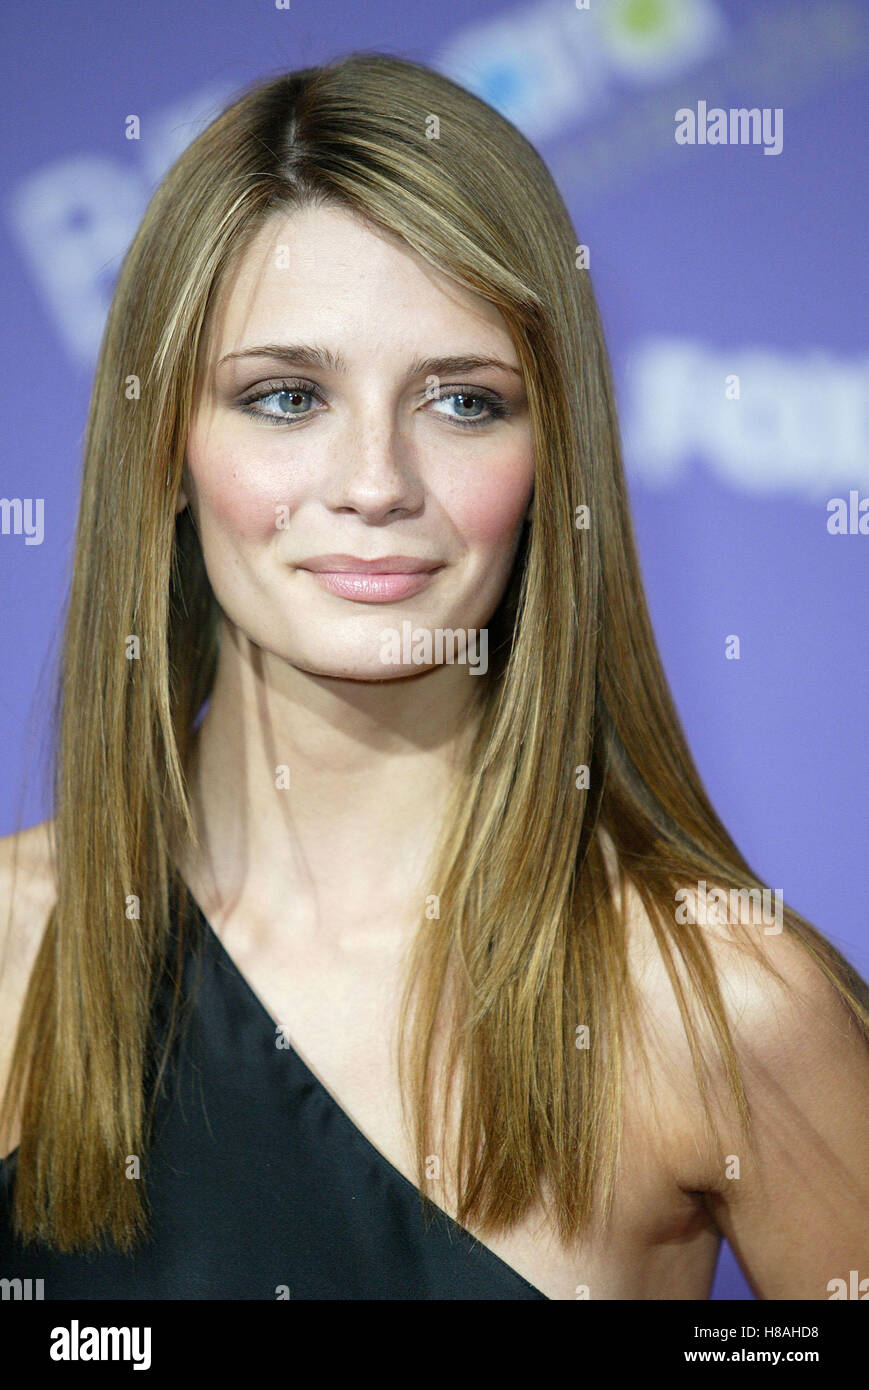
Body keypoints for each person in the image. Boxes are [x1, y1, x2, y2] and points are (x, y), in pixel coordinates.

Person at [0, 52, 866, 1301]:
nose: (374, 482)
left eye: (462, 402)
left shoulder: (713, 1006)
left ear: (549, 458)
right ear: (163, 451)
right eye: (286, 396)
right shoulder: (17, 951)